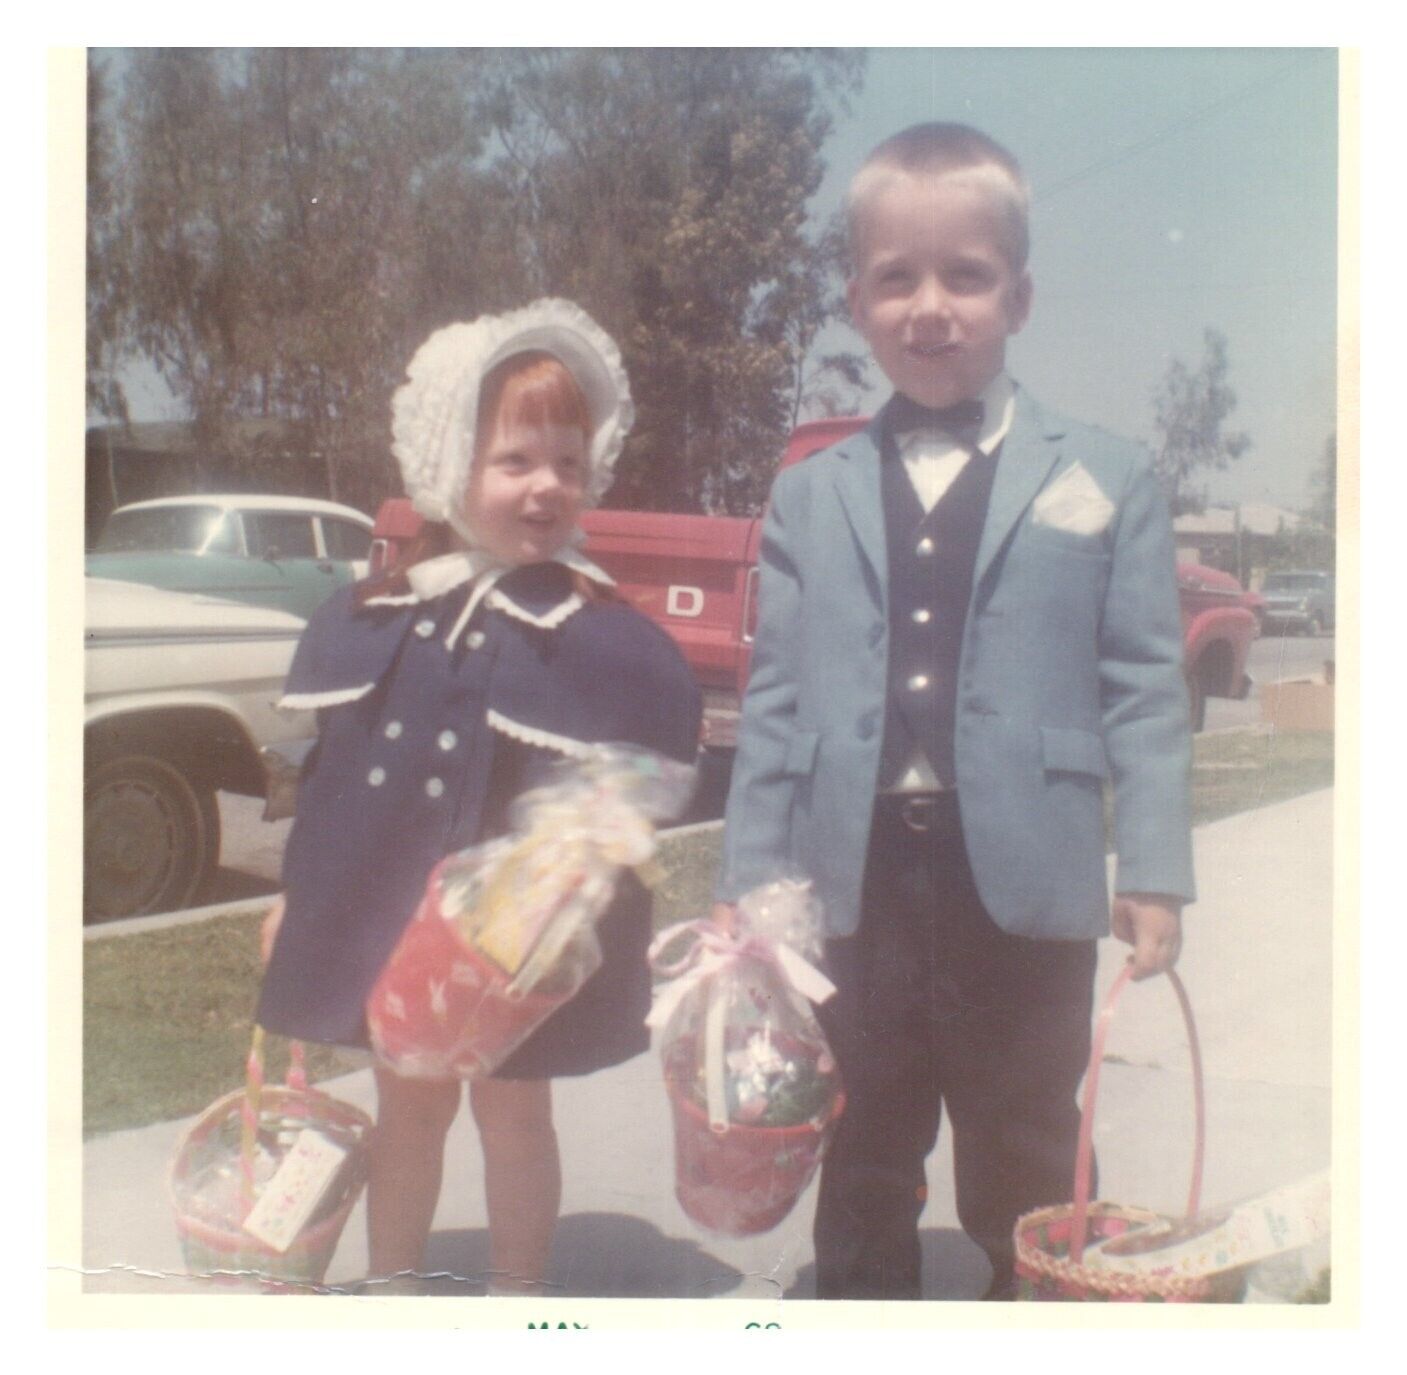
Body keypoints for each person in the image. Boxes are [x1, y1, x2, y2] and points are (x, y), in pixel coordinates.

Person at [713, 123, 1195, 1300]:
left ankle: (1036, 1312)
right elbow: (774, 700)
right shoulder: (807, 495)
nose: (931, 306)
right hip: (855, 883)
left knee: (1025, 1141)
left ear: (1019, 296)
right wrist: (747, 885)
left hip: (1024, 888)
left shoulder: (1108, 473)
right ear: (857, 299)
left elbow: (1142, 682)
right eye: (897, 277)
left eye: (965, 275)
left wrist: (1157, 868)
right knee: (865, 1136)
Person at [257, 299, 701, 1295]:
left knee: (515, 1113)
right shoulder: (382, 616)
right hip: (389, 922)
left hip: (516, 945)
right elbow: (330, 788)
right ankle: (393, 1281)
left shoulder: (601, 633)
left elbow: (632, 789)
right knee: (406, 1110)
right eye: (515, 461)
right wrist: (295, 897)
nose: (546, 484)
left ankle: (516, 1294)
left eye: (567, 463)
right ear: (448, 464)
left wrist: (588, 864)